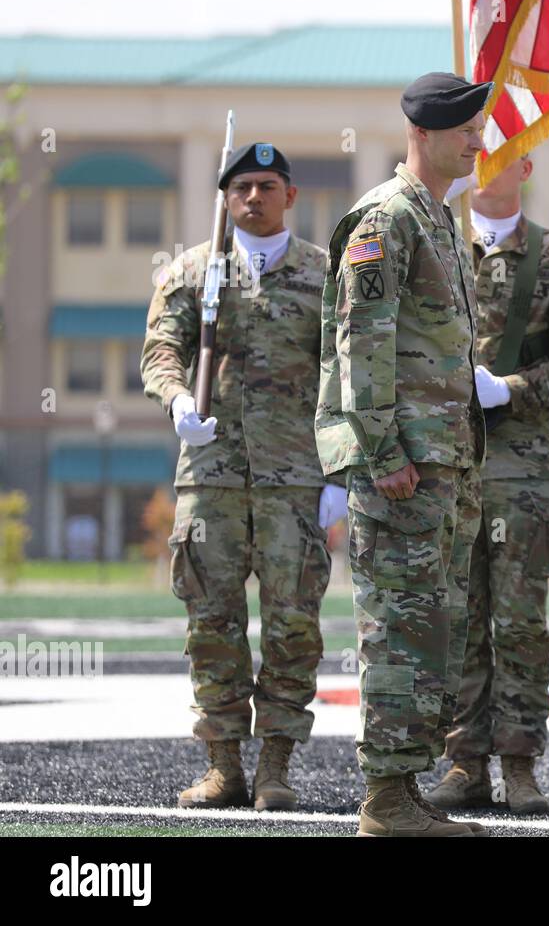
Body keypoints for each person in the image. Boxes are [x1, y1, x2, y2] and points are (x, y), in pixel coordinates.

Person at [316, 72, 494, 837]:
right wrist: (383, 449)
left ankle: (404, 786)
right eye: (465, 129)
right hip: (404, 465)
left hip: (441, 461)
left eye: (478, 127)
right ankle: (385, 801)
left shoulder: (438, 218)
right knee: (397, 624)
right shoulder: (387, 219)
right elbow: (363, 344)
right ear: (422, 133)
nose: (478, 140)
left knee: (430, 626)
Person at [141, 142, 339, 812]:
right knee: (212, 623)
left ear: (291, 196)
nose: (253, 197)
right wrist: (175, 400)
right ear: (225, 199)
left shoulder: (325, 274)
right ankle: (223, 765)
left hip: (295, 478)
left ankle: (276, 767)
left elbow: (347, 373)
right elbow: (162, 349)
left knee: (293, 625)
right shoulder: (193, 272)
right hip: (212, 476)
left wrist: (341, 468)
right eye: (240, 188)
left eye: (266, 185)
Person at [429, 153, 549, 814]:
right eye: (476, 147)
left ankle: (520, 764)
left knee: (520, 622)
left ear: (526, 162)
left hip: (521, 466)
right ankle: (464, 760)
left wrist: (513, 389)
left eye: (502, 147)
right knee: (459, 619)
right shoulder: (431, 245)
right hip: (447, 459)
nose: (484, 160)